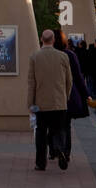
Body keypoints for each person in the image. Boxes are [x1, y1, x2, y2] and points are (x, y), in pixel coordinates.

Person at [27, 29, 72, 171]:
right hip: (59, 102)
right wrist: (65, 96)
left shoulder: (34, 57)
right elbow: (69, 80)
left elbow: (31, 83)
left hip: (41, 103)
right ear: (53, 40)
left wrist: (30, 103)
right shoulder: (63, 56)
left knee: (41, 132)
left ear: (41, 39)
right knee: (59, 130)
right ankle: (59, 149)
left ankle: (40, 163)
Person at [55, 31, 89, 164]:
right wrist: (86, 94)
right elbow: (78, 77)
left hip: (52, 95)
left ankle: (56, 148)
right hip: (68, 94)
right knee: (66, 124)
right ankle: (65, 151)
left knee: (54, 123)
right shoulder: (70, 55)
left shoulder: (48, 55)